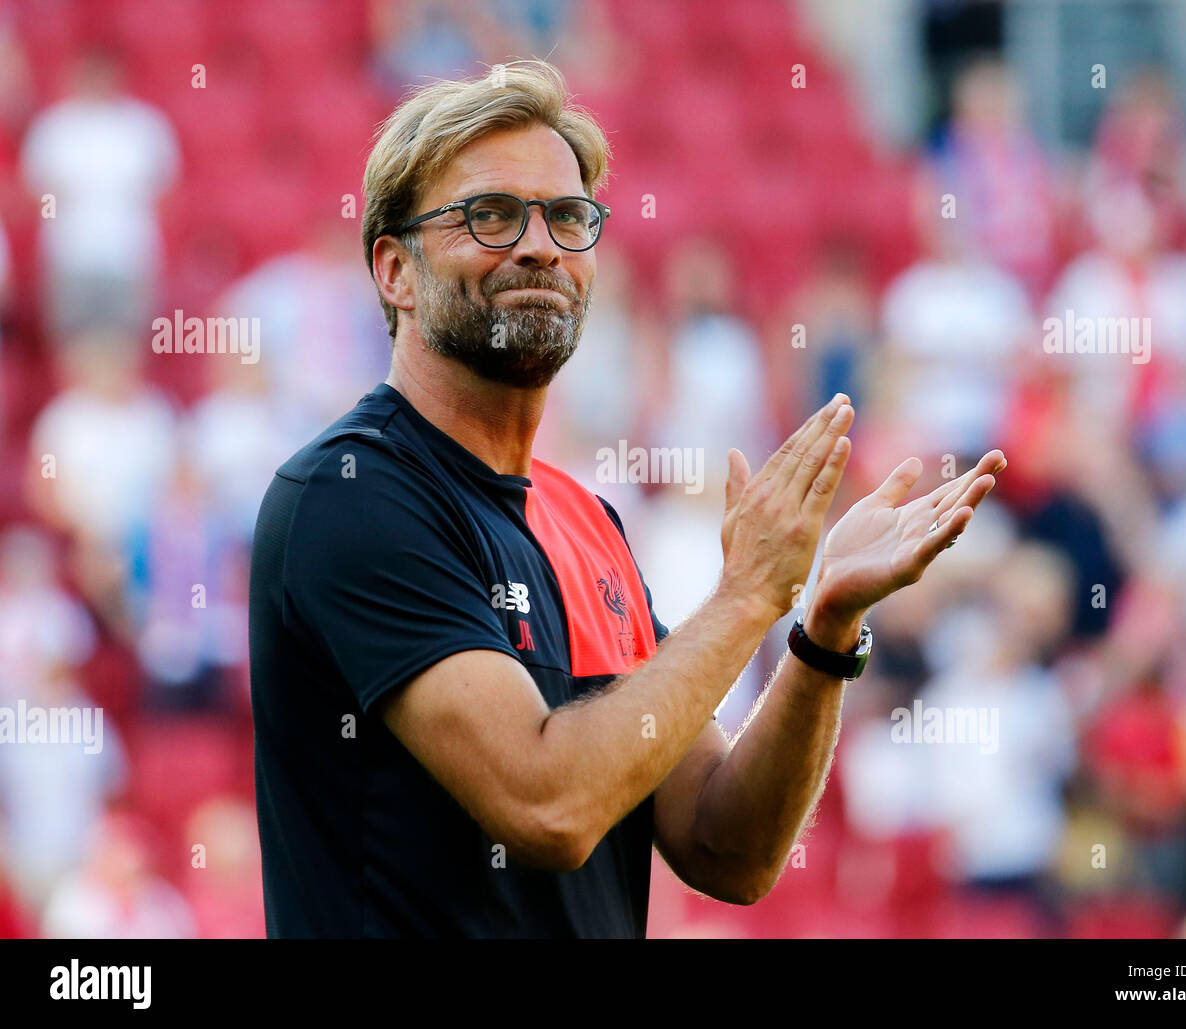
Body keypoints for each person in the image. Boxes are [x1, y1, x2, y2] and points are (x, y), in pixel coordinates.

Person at [249, 60, 1006, 938]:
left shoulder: (583, 520)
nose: (539, 245)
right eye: (490, 215)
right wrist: (749, 593)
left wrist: (822, 630)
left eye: (568, 218)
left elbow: (728, 846)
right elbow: (546, 805)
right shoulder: (350, 496)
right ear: (395, 270)